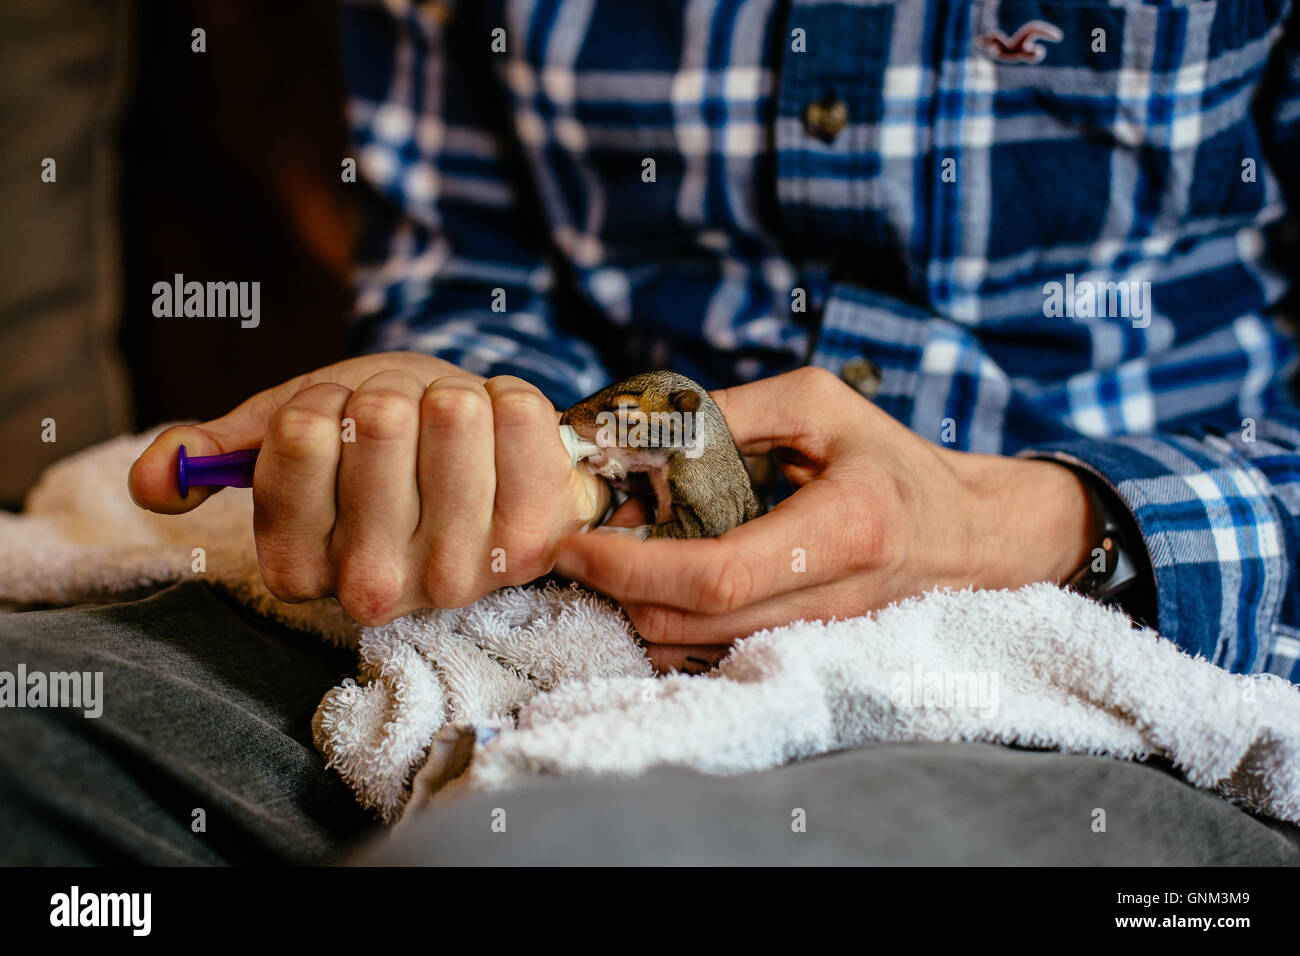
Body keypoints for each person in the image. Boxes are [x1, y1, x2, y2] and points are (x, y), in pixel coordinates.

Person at [5, 0, 1300, 865]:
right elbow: (473, 268)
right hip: (560, 624)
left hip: (1109, 663)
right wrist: (458, 407)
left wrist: (1040, 526)